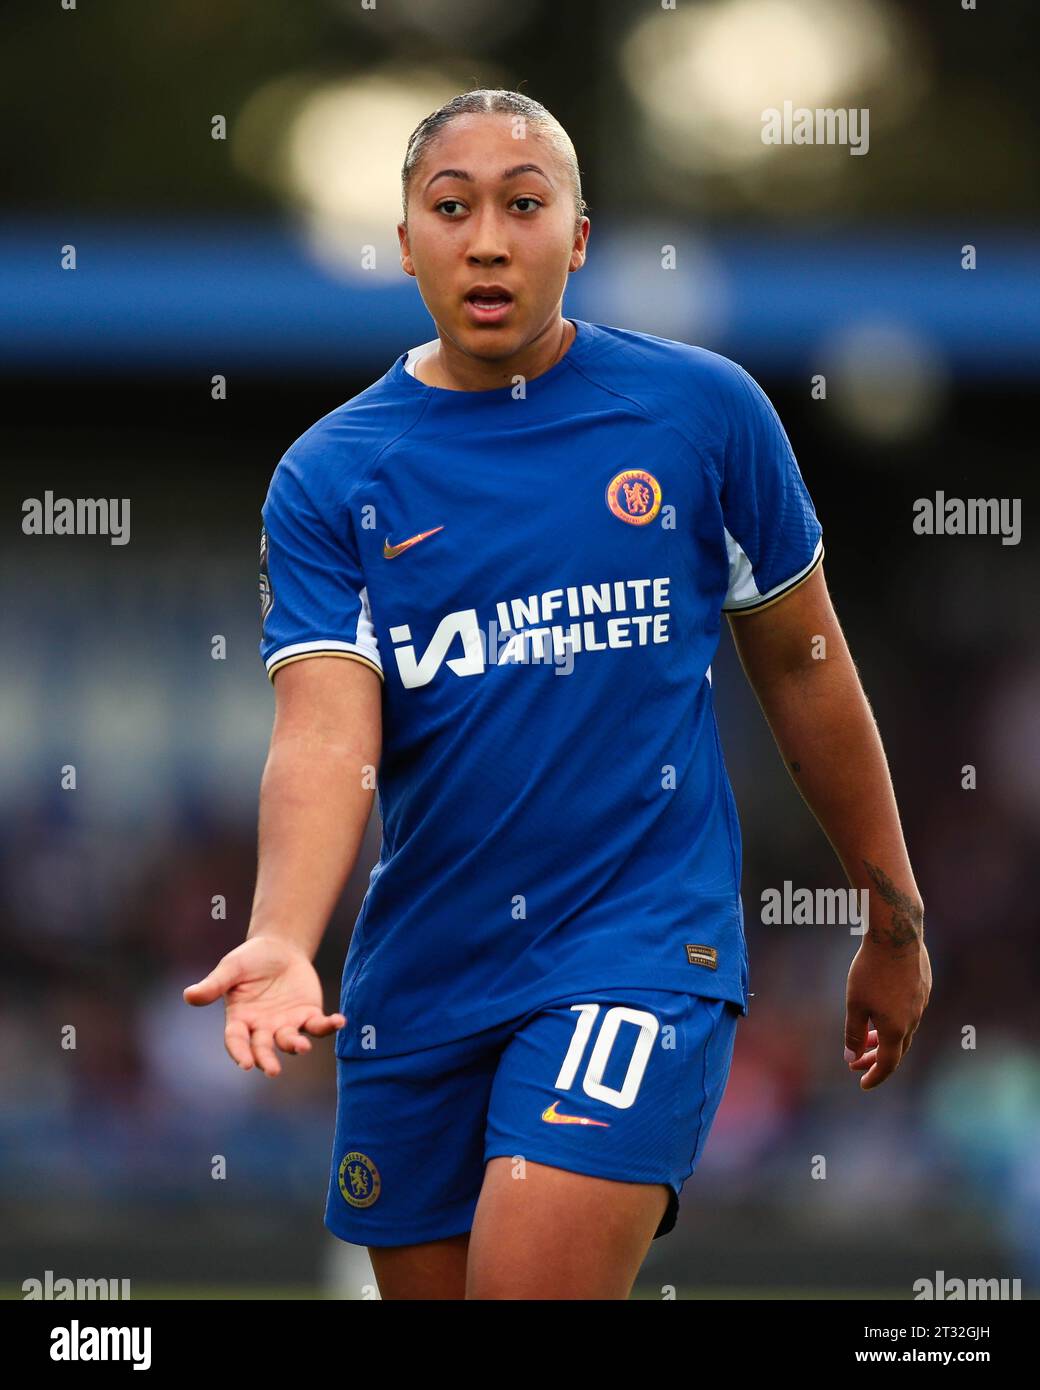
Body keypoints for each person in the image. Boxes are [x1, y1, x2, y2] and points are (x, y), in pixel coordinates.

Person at [184, 89, 931, 1301]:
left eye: (524, 206)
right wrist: (279, 931)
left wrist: (889, 914)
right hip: (420, 983)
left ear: (578, 237)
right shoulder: (331, 476)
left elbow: (804, 671)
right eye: (452, 207)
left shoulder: (701, 416)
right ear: (405, 240)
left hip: (633, 948)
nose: (488, 238)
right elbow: (326, 735)